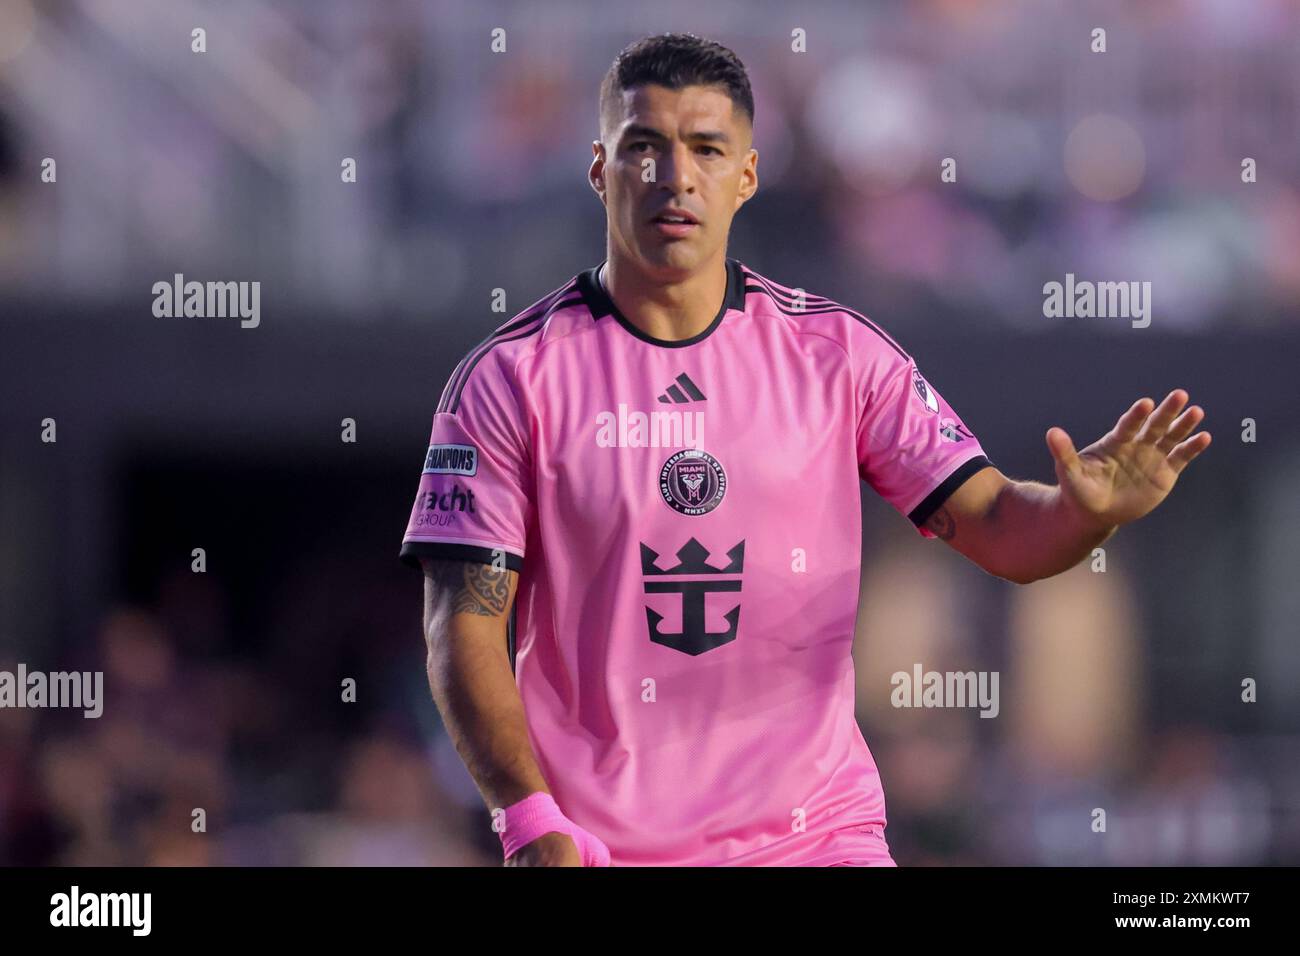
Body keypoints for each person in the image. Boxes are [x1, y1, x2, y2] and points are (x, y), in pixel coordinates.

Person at [398, 33, 1211, 867]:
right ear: (601, 170)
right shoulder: (508, 380)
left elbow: (1003, 526)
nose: (675, 176)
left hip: (818, 844)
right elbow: (463, 629)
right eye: (645, 147)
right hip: (603, 851)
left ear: (746, 176)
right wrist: (531, 822)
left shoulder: (839, 357)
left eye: (707, 149)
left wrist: (1081, 515)